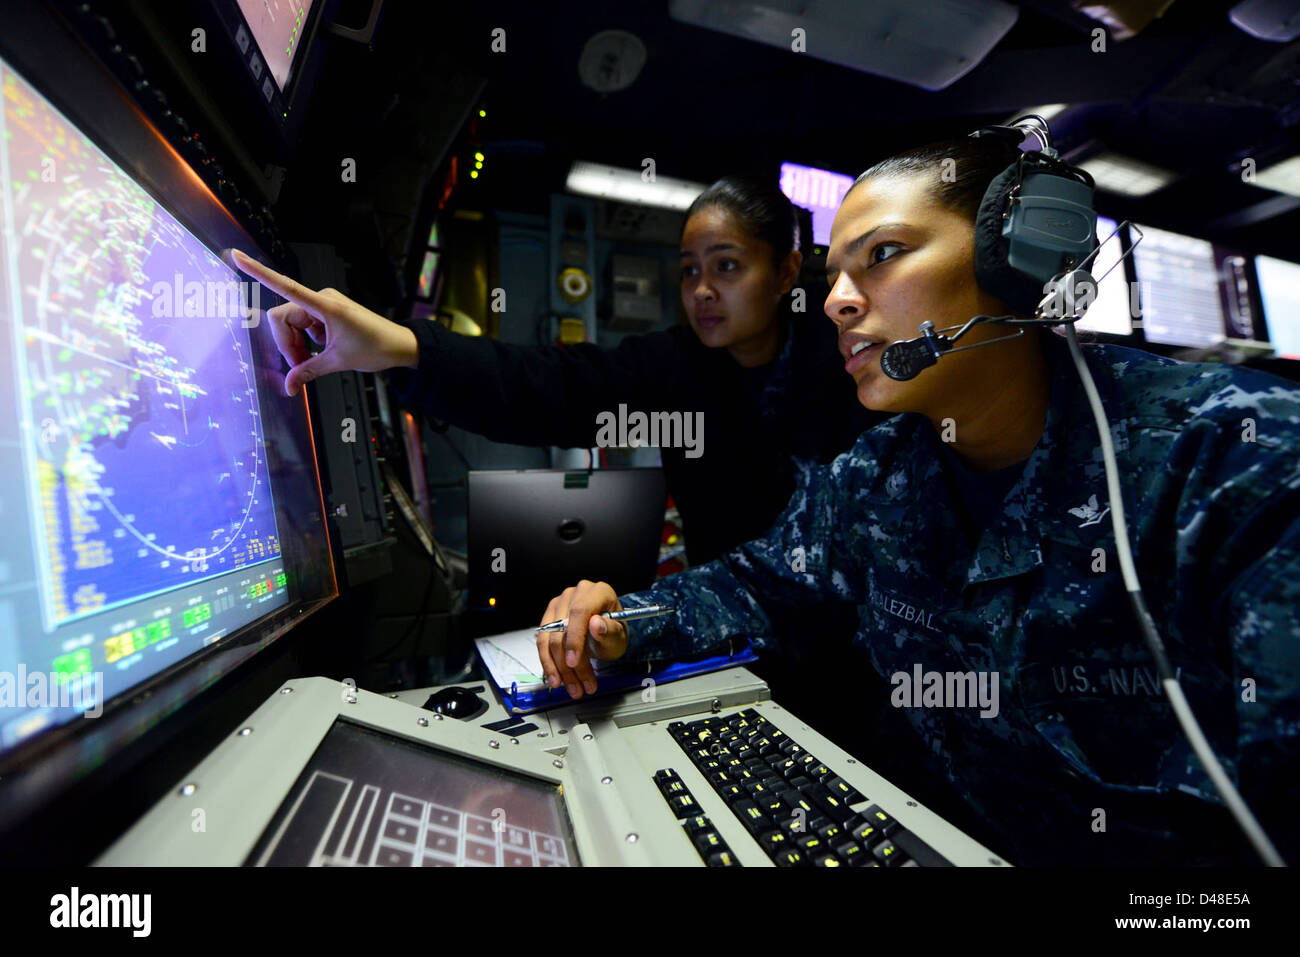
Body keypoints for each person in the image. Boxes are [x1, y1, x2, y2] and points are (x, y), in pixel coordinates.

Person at [532, 134, 1300, 866]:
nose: (836, 301)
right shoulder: (878, 472)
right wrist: (619, 625)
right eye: (834, 273)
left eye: (883, 256)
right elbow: (756, 585)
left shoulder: (1240, 457)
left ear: (1015, 262)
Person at [231, 176, 883, 704]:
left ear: (786, 270)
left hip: (862, 660)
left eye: (728, 267)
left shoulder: (855, 367)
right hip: (727, 632)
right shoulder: (674, 366)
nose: (703, 290)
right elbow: (547, 386)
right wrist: (396, 348)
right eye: (688, 271)